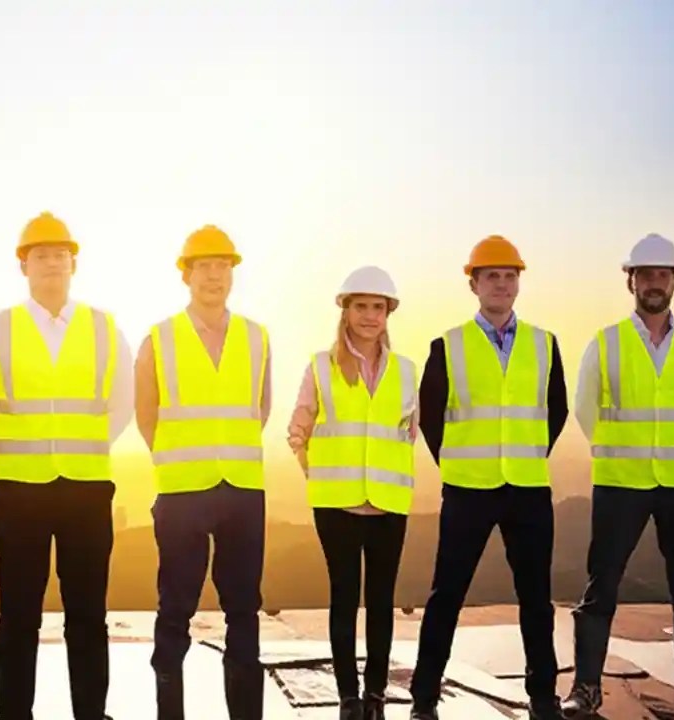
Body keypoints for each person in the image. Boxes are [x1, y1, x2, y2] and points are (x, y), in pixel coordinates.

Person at [559, 234, 674, 720]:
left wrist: (670, 446)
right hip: (621, 481)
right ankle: (586, 688)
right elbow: (584, 407)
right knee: (602, 586)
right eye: (646, 275)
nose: (655, 283)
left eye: (664, 274)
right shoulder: (606, 341)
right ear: (631, 281)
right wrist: (613, 449)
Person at [0, 211, 133, 720]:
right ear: (24, 266)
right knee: (18, 614)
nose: (52, 263)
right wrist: (22, 454)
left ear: (74, 263)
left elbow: (121, 402)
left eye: (60, 255)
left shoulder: (104, 327)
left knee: (88, 614)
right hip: (19, 489)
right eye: (41, 255)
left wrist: (80, 449)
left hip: (86, 488)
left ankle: (90, 713)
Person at [409, 235, 568, 720]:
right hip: (468, 490)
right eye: (492, 276)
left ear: (519, 283)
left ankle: (543, 698)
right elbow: (430, 417)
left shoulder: (545, 344)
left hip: (527, 487)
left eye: (510, 276)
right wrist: (457, 464)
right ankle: (424, 698)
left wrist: (528, 456)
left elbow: (556, 410)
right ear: (474, 284)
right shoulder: (448, 345)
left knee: (536, 600)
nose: (502, 284)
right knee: (446, 595)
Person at [136, 224, 271, 720]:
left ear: (232, 273)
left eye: (222, 266)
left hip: (242, 490)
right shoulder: (160, 338)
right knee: (175, 609)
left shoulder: (257, 337)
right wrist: (178, 460)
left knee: (244, 608)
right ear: (186, 275)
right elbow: (146, 416)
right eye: (204, 267)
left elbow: (261, 408)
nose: (214, 276)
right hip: (182, 493)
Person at [286, 266, 418, 720]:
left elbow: (408, 434)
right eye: (360, 306)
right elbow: (298, 429)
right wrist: (318, 473)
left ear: (388, 314)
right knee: (344, 597)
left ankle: (376, 695)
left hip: (387, 503)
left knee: (381, 602)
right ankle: (348, 696)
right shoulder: (321, 366)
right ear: (345, 311)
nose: (369, 316)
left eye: (377, 307)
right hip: (337, 505)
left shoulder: (405, 371)